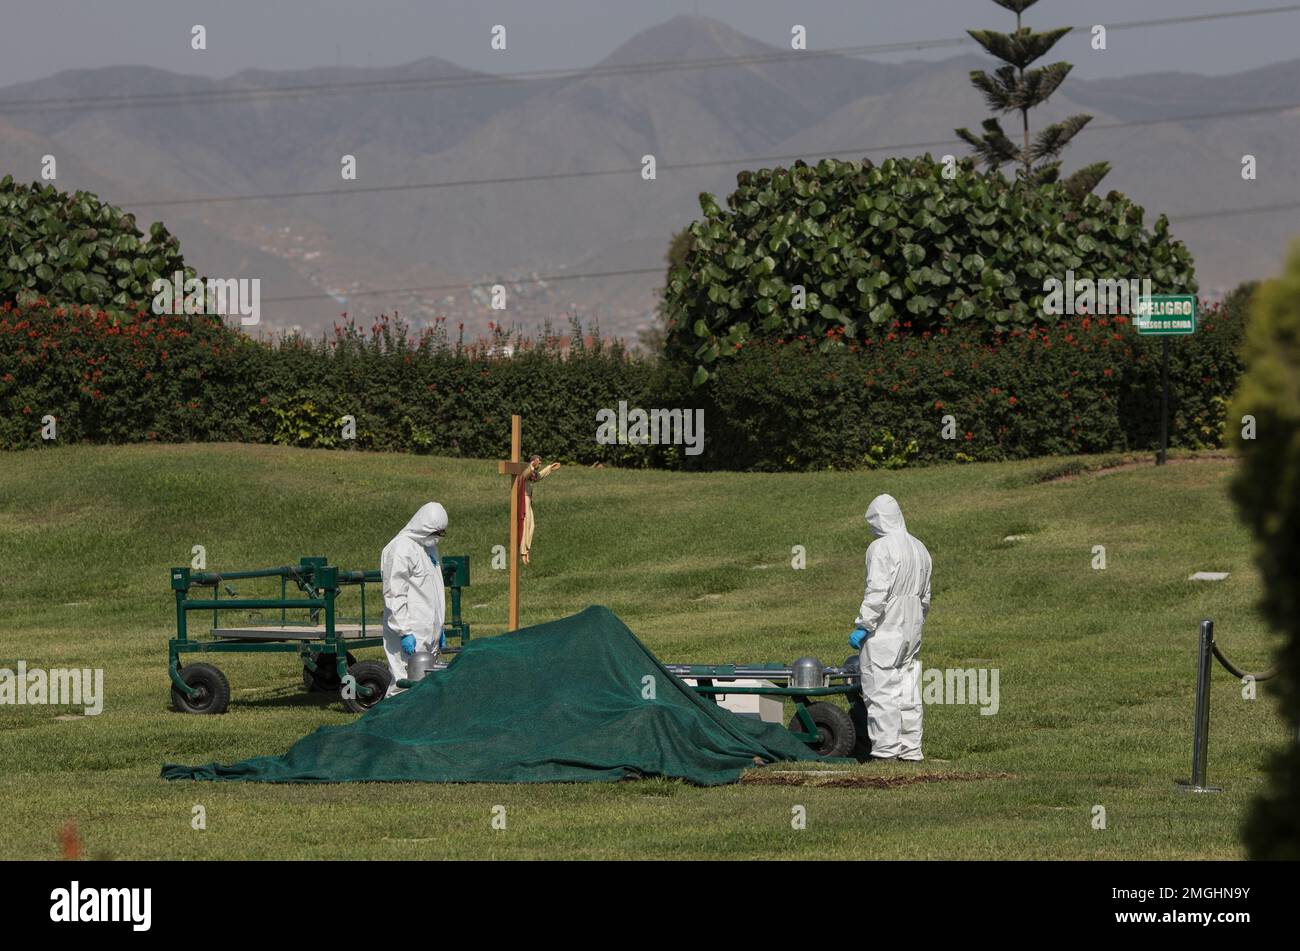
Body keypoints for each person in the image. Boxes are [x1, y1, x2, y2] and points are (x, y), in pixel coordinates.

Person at [849, 494, 932, 760]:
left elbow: (877, 591)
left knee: (881, 688)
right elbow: (925, 597)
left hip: (885, 630)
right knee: (908, 690)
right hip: (911, 629)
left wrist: (864, 624)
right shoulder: (920, 547)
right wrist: (916, 621)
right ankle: (911, 751)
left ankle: (885, 752)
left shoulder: (881, 548)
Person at [380, 502, 448, 696]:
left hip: (428, 632)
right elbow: (394, 593)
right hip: (409, 631)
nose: (438, 538)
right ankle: (389, 723)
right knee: (403, 685)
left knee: (425, 688)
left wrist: (438, 629)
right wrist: (404, 631)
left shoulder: (428, 549)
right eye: (436, 532)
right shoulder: (400, 548)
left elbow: (433, 593)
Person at [520, 454, 561, 565]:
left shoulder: (533, 473)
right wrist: (531, 467)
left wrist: (550, 468)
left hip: (529, 501)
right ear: (533, 461)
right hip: (523, 499)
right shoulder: (527, 470)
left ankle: (527, 549)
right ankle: (523, 552)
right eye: (539, 462)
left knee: (532, 525)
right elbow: (524, 476)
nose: (540, 464)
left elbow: (539, 476)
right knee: (526, 525)